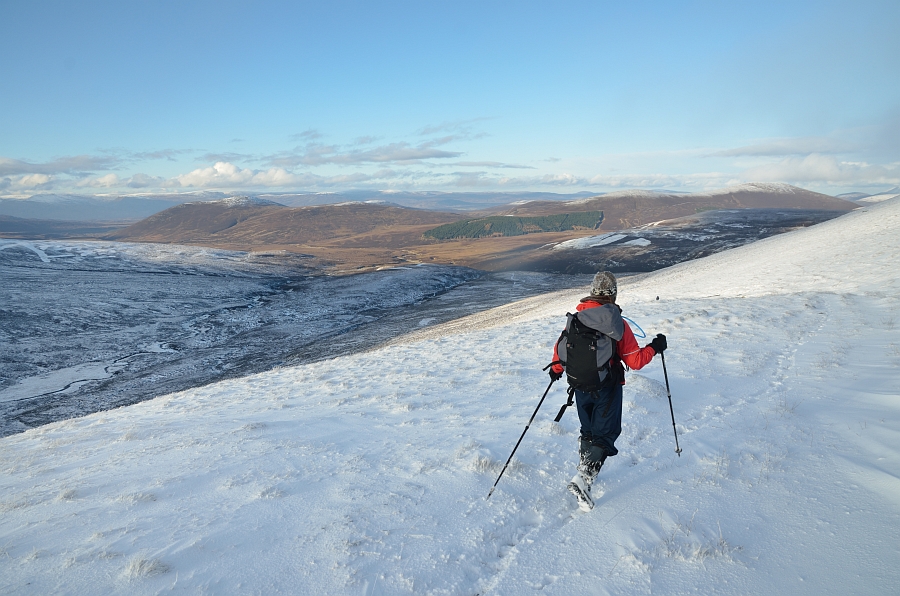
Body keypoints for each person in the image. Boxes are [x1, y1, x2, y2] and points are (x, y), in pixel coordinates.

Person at [549, 271, 666, 509]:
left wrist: (557, 369)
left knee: (589, 430)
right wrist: (655, 347)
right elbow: (635, 362)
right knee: (606, 434)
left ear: (593, 292)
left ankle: (584, 469)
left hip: (579, 385)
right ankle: (583, 479)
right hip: (607, 387)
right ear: (613, 294)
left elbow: (564, 347)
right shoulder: (617, 324)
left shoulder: (577, 318)